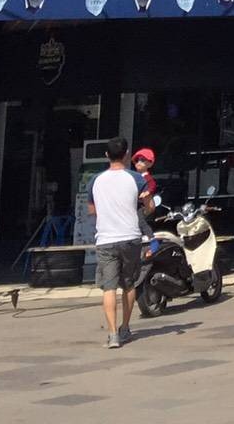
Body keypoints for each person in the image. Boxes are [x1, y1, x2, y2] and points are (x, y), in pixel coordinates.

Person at [88, 137, 147, 349]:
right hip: (130, 237)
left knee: (109, 288)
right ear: (127, 154)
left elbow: (92, 211)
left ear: (106, 155)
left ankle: (112, 334)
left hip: (105, 239)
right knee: (129, 284)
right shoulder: (136, 179)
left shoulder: (95, 180)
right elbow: (148, 207)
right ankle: (125, 328)